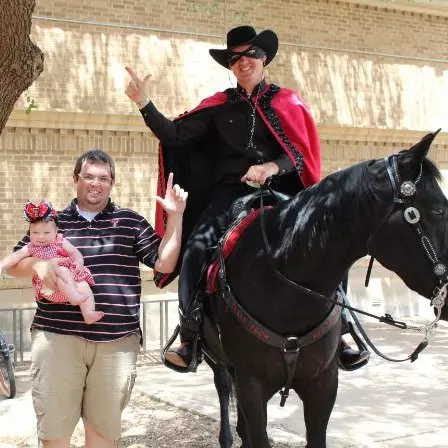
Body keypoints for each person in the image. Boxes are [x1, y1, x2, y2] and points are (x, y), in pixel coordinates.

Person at [125, 25, 369, 372]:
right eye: (235, 58)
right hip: (231, 195)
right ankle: (190, 333)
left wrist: (271, 165)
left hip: (283, 192)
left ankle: (342, 329)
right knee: (195, 249)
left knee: (326, 240)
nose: (243, 62)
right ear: (230, 66)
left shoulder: (289, 101)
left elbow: (302, 156)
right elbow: (175, 135)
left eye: (250, 54)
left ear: (263, 57)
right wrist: (145, 104)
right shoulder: (218, 106)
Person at [5, 149, 188, 448]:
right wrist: (39, 265)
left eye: (103, 178)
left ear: (112, 182)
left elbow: (165, 263)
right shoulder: (52, 221)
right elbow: (13, 264)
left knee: (104, 436)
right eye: (88, 176)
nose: (95, 183)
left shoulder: (130, 222)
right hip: (57, 338)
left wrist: (176, 217)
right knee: (53, 435)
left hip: (116, 343)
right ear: (75, 179)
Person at [0, 200, 104, 324]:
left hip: (72, 284)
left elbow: (75, 253)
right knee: (62, 270)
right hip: (49, 287)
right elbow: (15, 256)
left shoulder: (60, 241)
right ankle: (74, 297)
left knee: (84, 286)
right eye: (35, 233)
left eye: (46, 232)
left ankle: (88, 313)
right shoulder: (30, 247)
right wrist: (2, 265)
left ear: (56, 232)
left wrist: (79, 263)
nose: (41, 237)